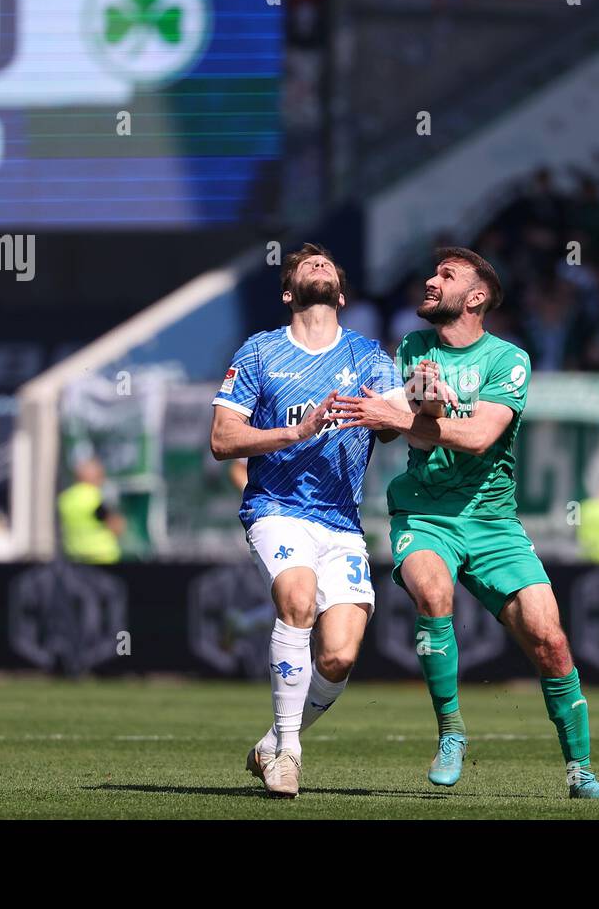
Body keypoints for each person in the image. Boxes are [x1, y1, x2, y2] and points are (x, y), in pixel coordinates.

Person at [330, 246, 599, 801]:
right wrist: (417, 404)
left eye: (445, 276)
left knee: (550, 639)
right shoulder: (414, 348)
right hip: (424, 512)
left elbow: (479, 438)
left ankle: (581, 775)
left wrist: (417, 415)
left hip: (494, 522)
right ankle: (451, 733)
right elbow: (399, 431)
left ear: (476, 298)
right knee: (432, 592)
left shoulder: (508, 359)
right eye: (432, 271)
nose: (429, 280)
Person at [210, 243, 403, 799]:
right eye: (305, 266)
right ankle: (289, 756)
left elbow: (395, 425)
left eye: (328, 265)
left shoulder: (369, 355)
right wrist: (293, 433)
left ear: (341, 293)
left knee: (340, 654)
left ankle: (270, 742)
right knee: (296, 598)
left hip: (341, 521)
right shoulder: (260, 353)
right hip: (276, 507)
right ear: (289, 291)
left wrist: (421, 402)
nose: (318, 266)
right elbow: (223, 439)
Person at [57, 458, 124, 564]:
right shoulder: (96, 497)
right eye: (101, 476)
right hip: (102, 557)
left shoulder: (65, 498)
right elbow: (116, 527)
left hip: (75, 557)